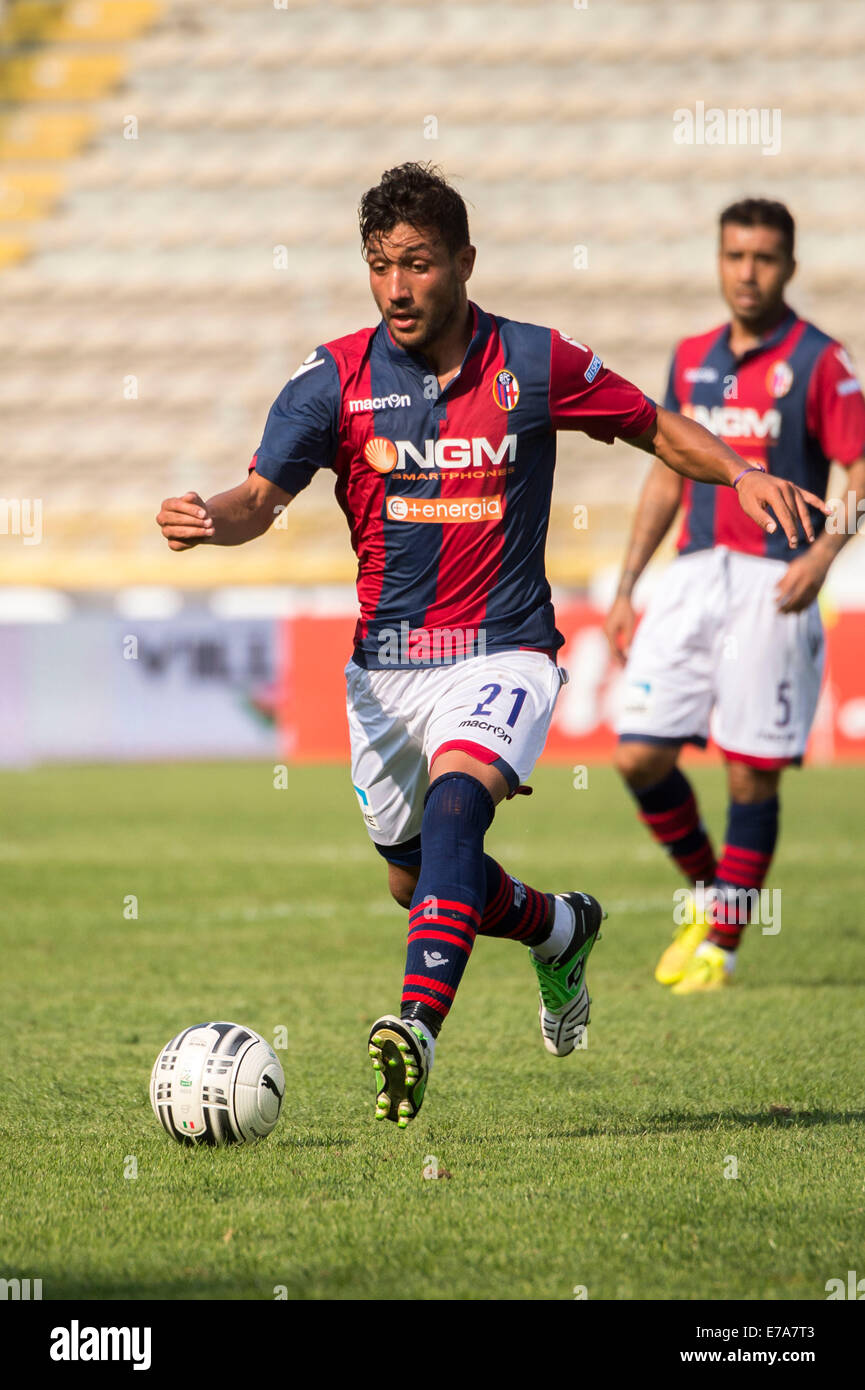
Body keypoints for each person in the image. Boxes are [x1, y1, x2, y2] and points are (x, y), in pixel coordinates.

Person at [157, 167, 826, 1124]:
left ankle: (415, 1031)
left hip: (504, 651)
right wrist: (206, 520)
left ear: (463, 263)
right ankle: (559, 927)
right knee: (414, 878)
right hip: (385, 674)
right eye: (380, 266)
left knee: (460, 806)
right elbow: (258, 500)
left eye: (417, 264)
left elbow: (653, 429)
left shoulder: (535, 361)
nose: (396, 287)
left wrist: (740, 472)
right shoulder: (330, 379)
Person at [604, 198, 865, 994]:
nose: (746, 272)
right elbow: (662, 467)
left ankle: (719, 947)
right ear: (718, 261)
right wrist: (625, 584)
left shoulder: (821, 360)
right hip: (689, 575)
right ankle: (713, 892)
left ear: (787, 265)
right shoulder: (689, 358)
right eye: (734, 256)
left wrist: (823, 553)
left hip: (771, 582)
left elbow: (859, 469)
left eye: (762, 258)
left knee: (750, 774)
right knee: (636, 753)